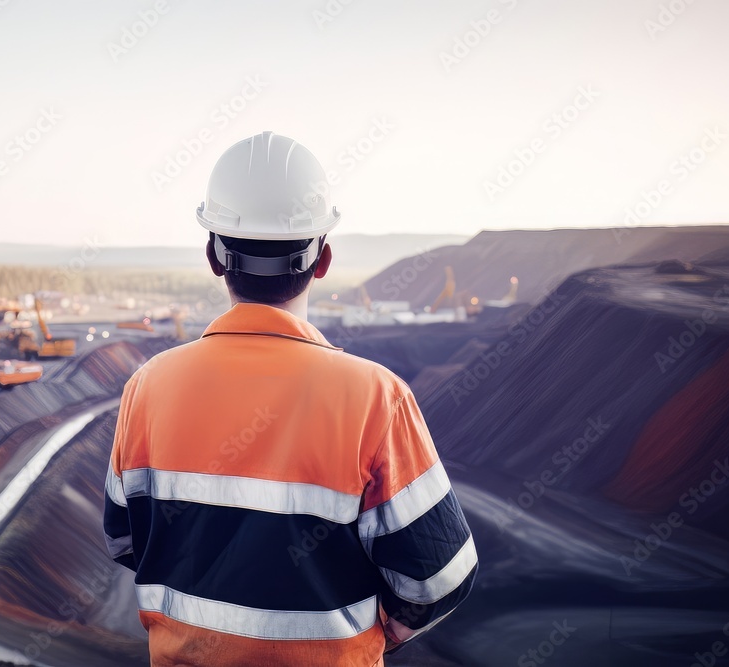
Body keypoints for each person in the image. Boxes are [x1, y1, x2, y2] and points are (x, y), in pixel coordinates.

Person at [104, 131, 477, 666]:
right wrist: (376, 635)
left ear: (213, 255)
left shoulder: (147, 388)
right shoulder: (375, 398)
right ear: (323, 258)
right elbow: (441, 577)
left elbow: (125, 544)